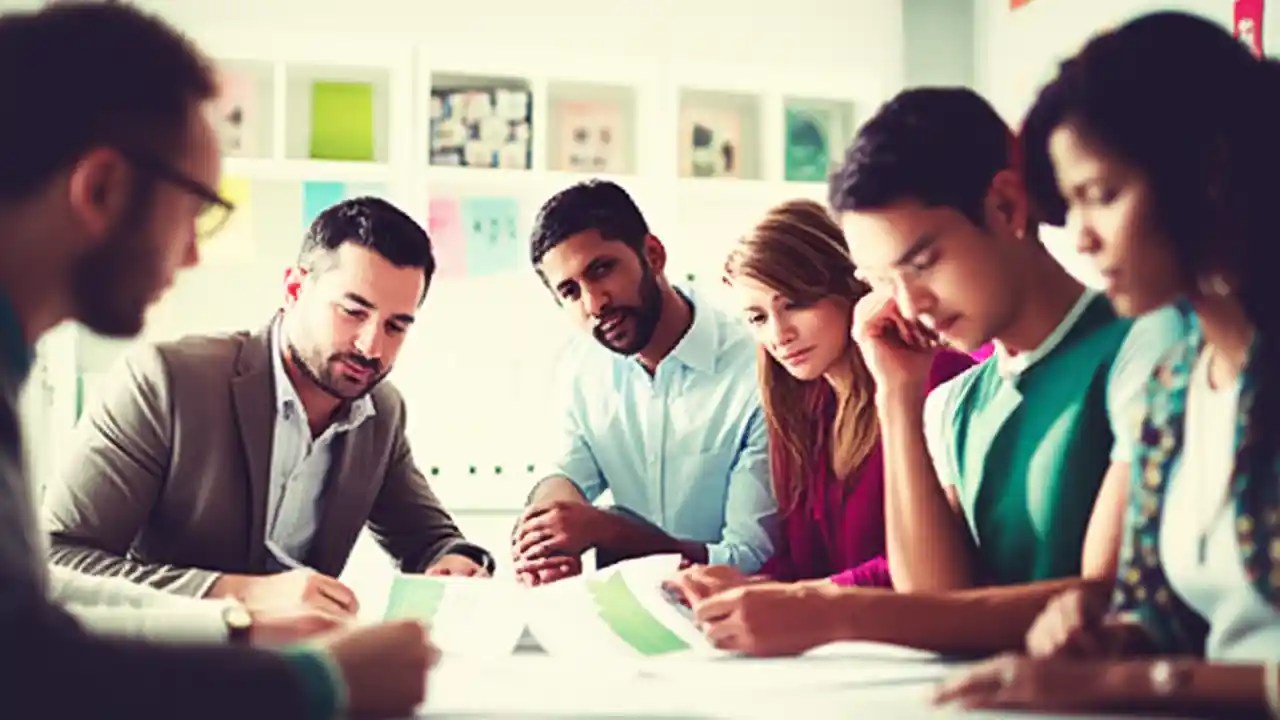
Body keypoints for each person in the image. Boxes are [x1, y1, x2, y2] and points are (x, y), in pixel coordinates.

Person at [0, 4, 431, 717]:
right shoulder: (166, 377)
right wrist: (319, 684)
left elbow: (29, 617)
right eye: (196, 210)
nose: (195, 254)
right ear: (101, 188)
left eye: (396, 324)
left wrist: (237, 623)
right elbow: (27, 667)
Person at [676, 86, 1185, 658]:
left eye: (922, 264)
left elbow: (1104, 602)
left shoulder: (1146, 345)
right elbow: (939, 606)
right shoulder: (956, 401)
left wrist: (829, 609)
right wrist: (897, 393)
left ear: (1008, 208)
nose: (911, 304)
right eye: (883, 282)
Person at [936, 13, 1280, 716]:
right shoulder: (1176, 382)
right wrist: (1107, 640)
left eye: (1103, 196)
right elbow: (1165, 617)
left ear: (1205, 172)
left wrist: (1141, 682)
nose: (1083, 238)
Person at [43, 195, 494, 617]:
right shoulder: (165, 381)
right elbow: (55, 561)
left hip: (296, 667)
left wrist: (452, 564)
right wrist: (243, 594)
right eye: (353, 311)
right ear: (295, 289)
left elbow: (430, 541)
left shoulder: (381, 412)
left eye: (396, 326)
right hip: (166, 667)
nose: (371, 347)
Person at [666, 199, 972, 603]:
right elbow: (805, 564)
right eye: (758, 318)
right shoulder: (804, 407)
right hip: (835, 644)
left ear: (849, 287)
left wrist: (791, 597)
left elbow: (934, 564)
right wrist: (743, 586)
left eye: (794, 304)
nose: (779, 335)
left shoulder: (936, 378)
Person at [510, 179, 776, 585]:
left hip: (738, 619)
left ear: (653, 255)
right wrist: (545, 534)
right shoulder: (581, 368)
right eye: (570, 291)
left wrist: (610, 529)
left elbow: (749, 558)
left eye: (601, 269)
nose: (594, 303)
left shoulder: (756, 369)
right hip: (625, 622)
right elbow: (566, 472)